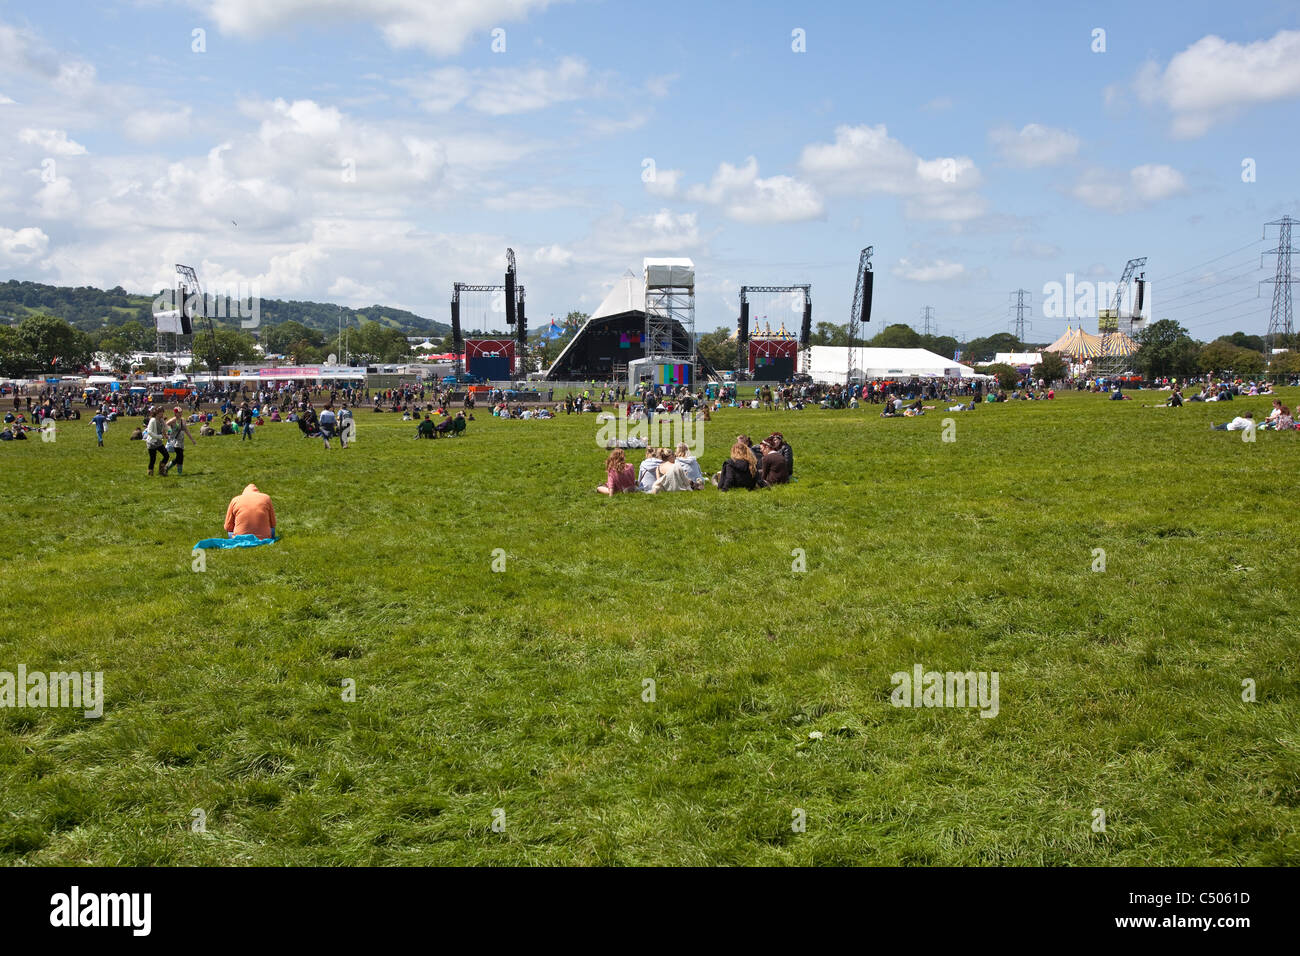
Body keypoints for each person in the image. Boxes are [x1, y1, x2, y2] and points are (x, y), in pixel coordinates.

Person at [161, 407, 196, 475]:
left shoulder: (183, 420)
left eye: (181, 412)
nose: (180, 414)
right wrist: (165, 435)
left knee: (180, 457)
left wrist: (192, 439)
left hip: (181, 441)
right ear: (175, 413)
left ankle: (171, 469)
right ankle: (170, 469)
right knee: (180, 456)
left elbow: (186, 430)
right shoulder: (173, 420)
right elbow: (164, 427)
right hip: (175, 441)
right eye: (178, 412)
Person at [144, 407, 171, 476]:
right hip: (152, 442)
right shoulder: (153, 420)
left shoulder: (161, 420)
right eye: (161, 412)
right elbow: (149, 432)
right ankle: (150, 473)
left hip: (158, 442)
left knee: (166, 455)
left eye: (163, 412)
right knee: (153, 459)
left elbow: (166, 427)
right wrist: (159, 436)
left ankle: (161, 470)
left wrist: (170, 431)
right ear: (157, 413)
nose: (162, 413)